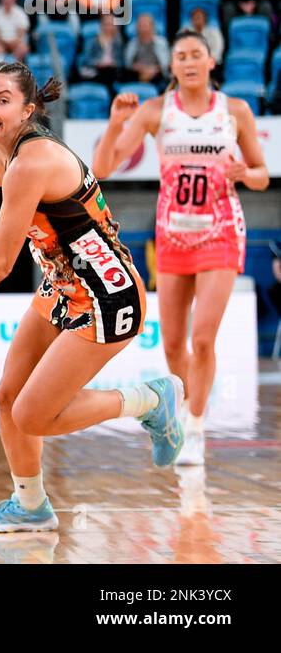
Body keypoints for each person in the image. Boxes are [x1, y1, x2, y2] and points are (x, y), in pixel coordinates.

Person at [0, 62, 185, 533]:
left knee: (33, 414)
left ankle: (148, 400)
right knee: (8, 396)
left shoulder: (31, 162)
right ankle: (30, 505)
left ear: (27, 109)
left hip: (107, 296)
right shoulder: (14, 151)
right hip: (64, 286)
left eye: (3, 100)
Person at [93, 30, 270, 466]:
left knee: (203, 338)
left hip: (221, 231)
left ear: (211, 62)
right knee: (173, 345)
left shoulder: (236, 111)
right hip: (172, 235)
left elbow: (264, 175)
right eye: (181, 56)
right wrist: (116, 122)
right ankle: (184, 411)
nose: (189, 62)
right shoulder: (157, 111)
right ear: (172, 66)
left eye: (196, 55)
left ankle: (195, 424)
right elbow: (102, 168)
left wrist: (245, 173)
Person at [124, 13, 170, 86]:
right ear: (137, 27)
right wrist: (140, 69)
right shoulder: (132, 44)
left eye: (146, 25)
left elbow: (165, 64)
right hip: (136, 74)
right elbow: (128, 64)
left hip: (157, 74)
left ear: (152, 27)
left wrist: (153, 70)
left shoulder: (162, 43)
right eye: (141, 26)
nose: (143, 29)